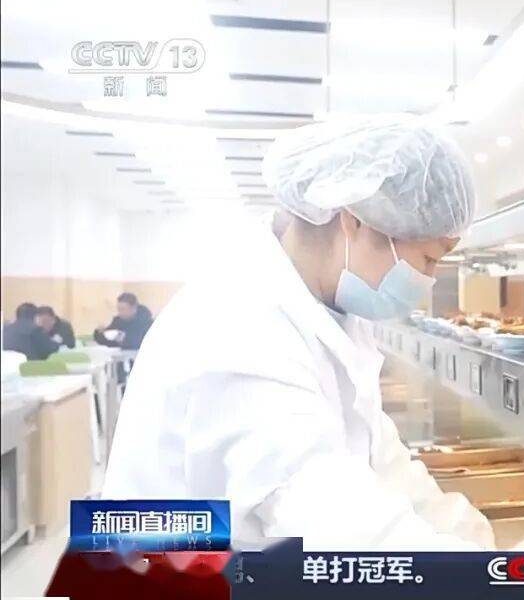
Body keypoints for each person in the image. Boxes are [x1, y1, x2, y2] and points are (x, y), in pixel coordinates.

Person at [102, 116, 491, 550]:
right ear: (356, 222)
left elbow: (378, 454)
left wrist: (468, 535)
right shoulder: (239, 323)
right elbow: (334, 516)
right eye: (429, 259)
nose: (428, 280)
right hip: (163, 571)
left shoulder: (330, 315)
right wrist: (482, 576)